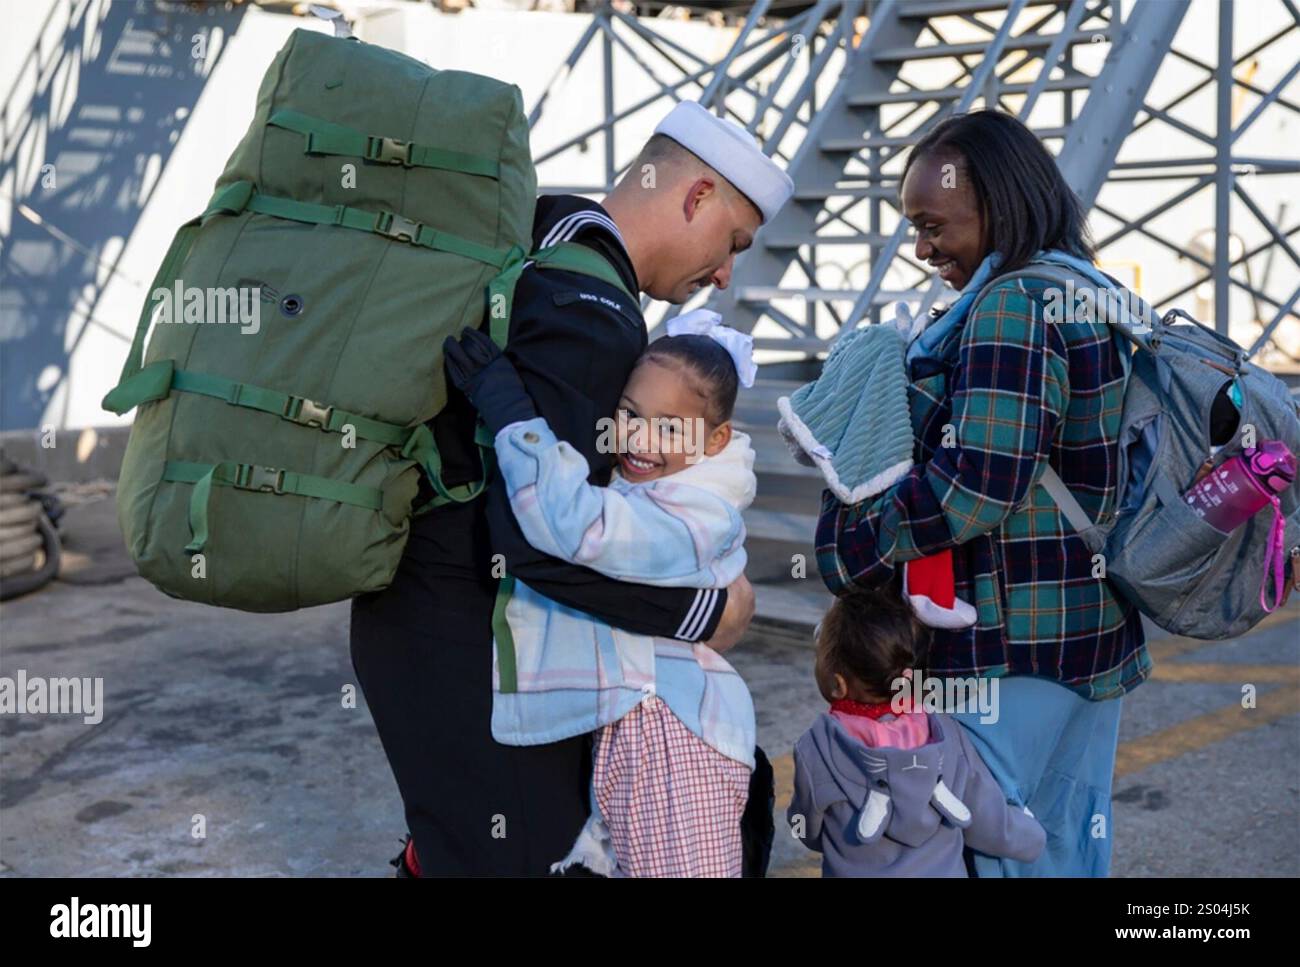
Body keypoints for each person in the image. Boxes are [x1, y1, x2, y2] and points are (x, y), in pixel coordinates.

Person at [351, 100, 793, 876]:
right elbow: (538, 534)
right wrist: (701, 610)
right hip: (472, 648)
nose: (724, 273)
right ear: (694, 197)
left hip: (425, 628)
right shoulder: (593, 313)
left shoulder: (544, 242)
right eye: (731, 243)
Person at [815, 109, 1148, 877]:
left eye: (935, 226)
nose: (924, 249)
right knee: (1065, 846)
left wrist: (852, 547)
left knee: (983, 843)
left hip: (1009, 651)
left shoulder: (1009, 306)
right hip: (1089, 640)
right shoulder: (1083, 286)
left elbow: (976, 487)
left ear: (995, 204)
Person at [446, 313, 760, 877]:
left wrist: (510, 411)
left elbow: (573, 523)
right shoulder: (663, 488)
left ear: (716, 440)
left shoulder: (696, 515)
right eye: (630, 414)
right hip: (642, 728)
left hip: (672, 741)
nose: (639, 439)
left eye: (669, 428)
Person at [787, 586, 1045, 877]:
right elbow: (987, 820)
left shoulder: (817, 747)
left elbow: (807, 826)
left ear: (839, 684)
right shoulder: (943, 732)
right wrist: (1033, 837)